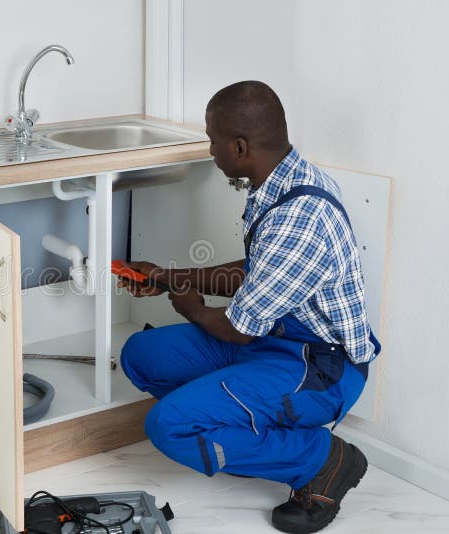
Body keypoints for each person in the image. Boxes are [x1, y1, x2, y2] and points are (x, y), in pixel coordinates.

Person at [119, 80, 381, 534]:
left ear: (239, 146)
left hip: (319, 368)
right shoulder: (284, 181)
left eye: (212, 140)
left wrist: (191, 306)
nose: (211, 150)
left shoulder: (299, 217)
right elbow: (259, 273)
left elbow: (238, 328)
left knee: (168, 427)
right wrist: (171, 277)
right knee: (140, 356)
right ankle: (248, 436)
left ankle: (321, 461)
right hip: (273, 337)